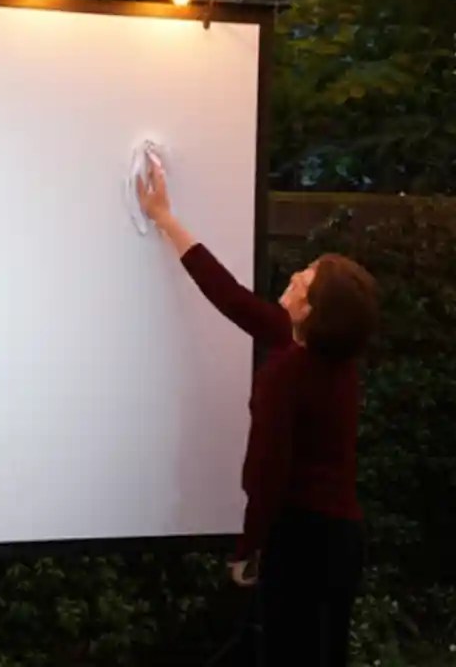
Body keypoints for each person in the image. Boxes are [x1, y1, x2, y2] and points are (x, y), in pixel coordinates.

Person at [136, 163, 379, 666]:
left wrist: (247, 550)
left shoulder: (288, 371)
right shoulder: (324, 355)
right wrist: (165, 218)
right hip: (341, 541)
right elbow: (230, 297)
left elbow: (267, 471)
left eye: (304, 279)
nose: (293, 275)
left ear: (309, 311)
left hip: (303, 540)